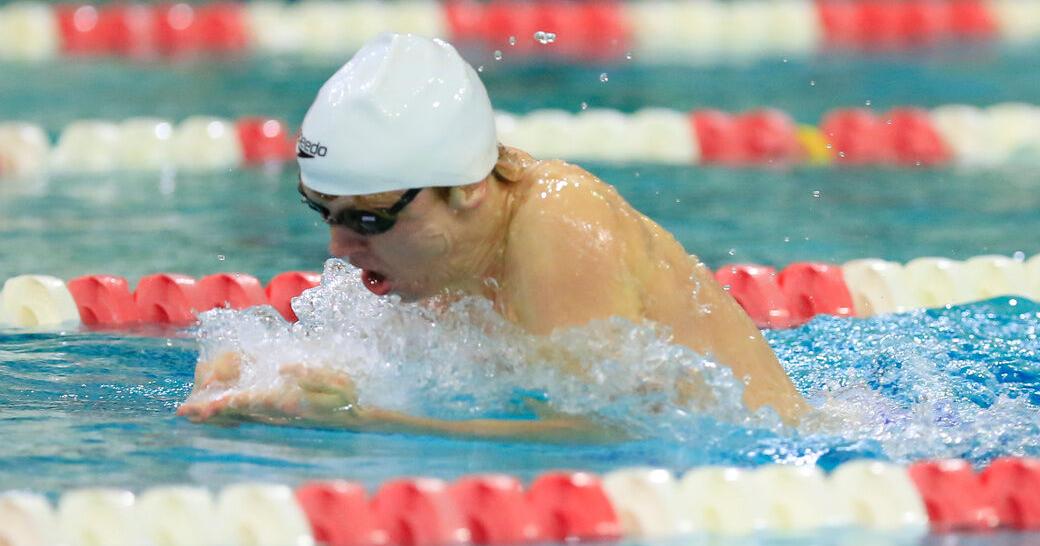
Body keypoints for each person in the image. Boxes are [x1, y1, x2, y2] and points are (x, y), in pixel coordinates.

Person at [178, 33, 807, 439]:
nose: (338, 251)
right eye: (325, 214)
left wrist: (364, 421)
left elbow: (599, 433)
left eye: (370, 219)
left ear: (467, 189)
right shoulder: (444, 261)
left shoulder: (558, 222)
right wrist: (270, 377)